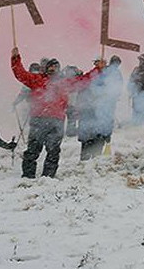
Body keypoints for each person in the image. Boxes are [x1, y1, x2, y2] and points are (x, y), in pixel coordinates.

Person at [11, 47, 102, 178]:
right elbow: (20, 74)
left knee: (53, 152)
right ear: (46, 69)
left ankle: (48, 177)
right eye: (50, 67)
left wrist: (98, 69)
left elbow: (85, 80)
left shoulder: (65, 83)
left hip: (56, 122)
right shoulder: (36, 79)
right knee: (32, 151)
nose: (53, 69)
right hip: (38, 121)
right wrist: (15, 58)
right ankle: (28, 177)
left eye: (55, 67)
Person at [79, 55, 123, 161]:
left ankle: (95, 157)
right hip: (90, 110)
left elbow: (115, 91)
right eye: (97, 62)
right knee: (89, 137)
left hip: (104, 110)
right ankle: (85, 158)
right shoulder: (92, 74)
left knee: (100, 135)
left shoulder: (113, 75)